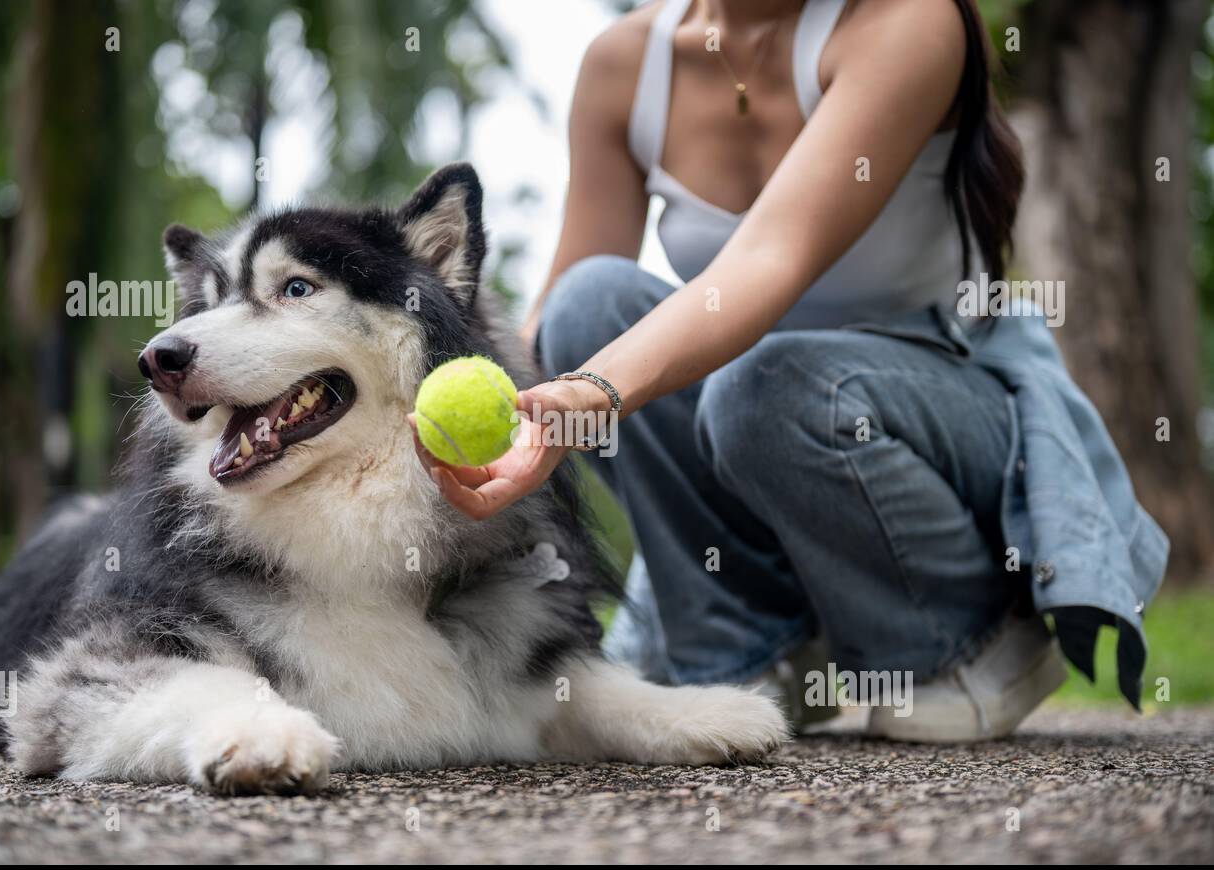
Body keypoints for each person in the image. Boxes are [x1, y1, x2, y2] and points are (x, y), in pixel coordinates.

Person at [409, 0, 1168, 740]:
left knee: (763, 381)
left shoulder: (907, 20)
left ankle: (954, 633)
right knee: (589, 307)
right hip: (765, 423)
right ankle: (748, 641)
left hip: (948, 414)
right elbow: (553, 323)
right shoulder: (626, 64)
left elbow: (773, 259)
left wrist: (590, 395)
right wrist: (477, 435)